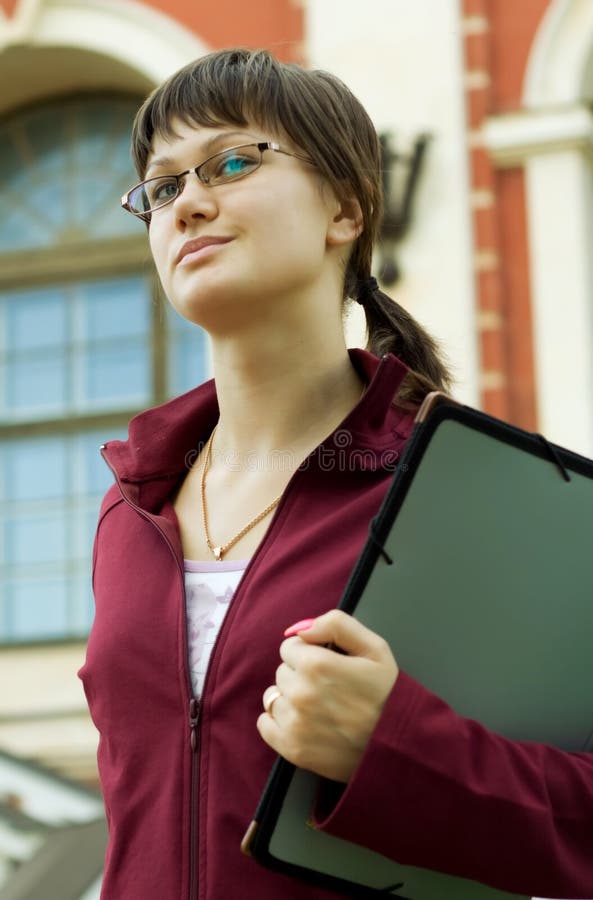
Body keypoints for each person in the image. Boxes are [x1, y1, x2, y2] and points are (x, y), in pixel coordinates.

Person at [78, 48, 593, 900]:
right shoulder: (130, 508)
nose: (188, 204)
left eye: (233, 162)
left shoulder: (467, 491)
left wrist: (394, 748)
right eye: (161, 188)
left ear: (344, 210)